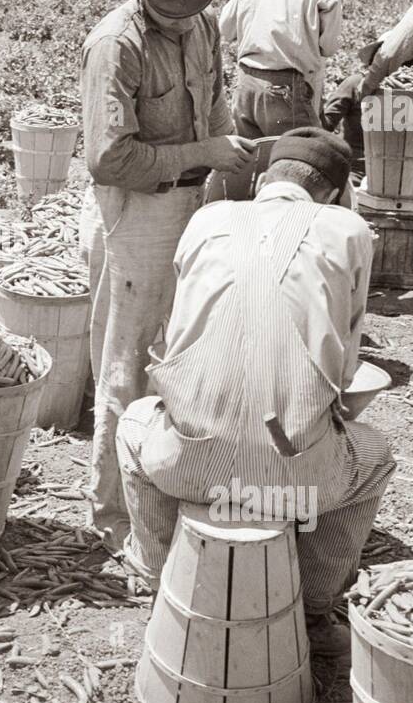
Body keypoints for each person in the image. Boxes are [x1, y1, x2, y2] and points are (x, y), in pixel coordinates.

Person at [115, 129, 393, 654]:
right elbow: (346, 364)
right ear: (334, 194)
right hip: (297, 486)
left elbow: (181, 339)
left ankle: (157, 586)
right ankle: (311, 613)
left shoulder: (207, 218)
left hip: (189, 469)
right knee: (374, 457)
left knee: (134, 425)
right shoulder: (349, 229)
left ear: (264, 180)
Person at [80, 0, 256, 549]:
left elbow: (214, 108)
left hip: (190, 195)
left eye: (193, 8)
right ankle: (115, 516)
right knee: (126, 361)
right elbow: (108, 158)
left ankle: (163, 482)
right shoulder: (116, 45)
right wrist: (202, 153)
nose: (183, 23)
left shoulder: (201, 25)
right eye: (169, 13)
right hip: (141, 206)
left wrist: (223, 164)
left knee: (174, 349)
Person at [220, 0, 349, 138]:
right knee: (307, 157)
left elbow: (225, 28)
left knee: (251, 160)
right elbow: (328, 46)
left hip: (245, 85)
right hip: (285, 89)